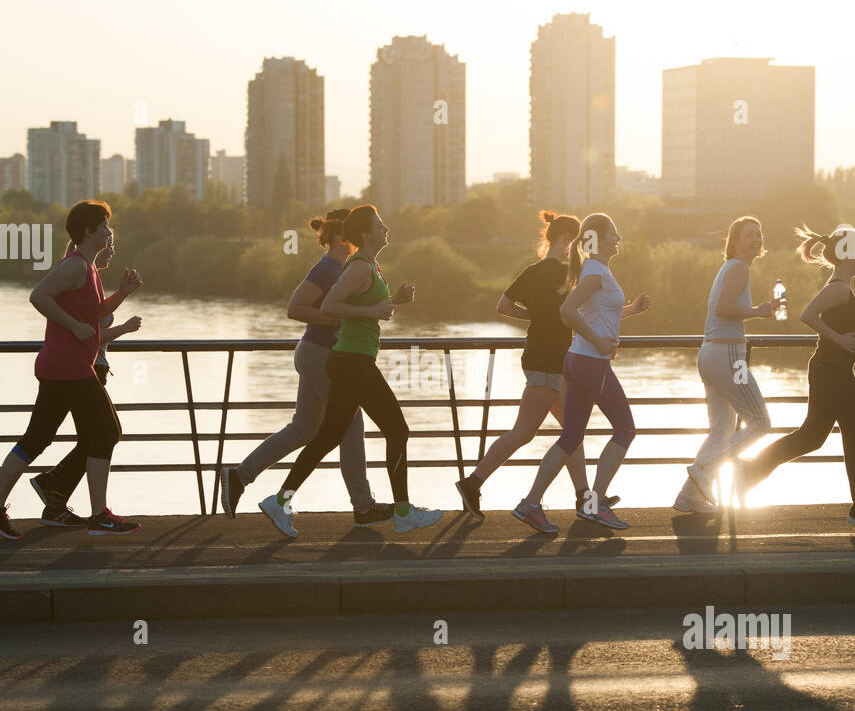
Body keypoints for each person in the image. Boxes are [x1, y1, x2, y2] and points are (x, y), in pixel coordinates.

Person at [258, 205, 441, 538]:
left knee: (328, 436)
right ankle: (402, 512)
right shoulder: (358, 267)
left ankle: (280, 500)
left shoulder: (369, 265)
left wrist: (395, 300)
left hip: (353, 359)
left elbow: (368, 312)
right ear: (367, 234)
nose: (387, 229)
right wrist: (374, 308)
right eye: (380, 225)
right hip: (352, 362)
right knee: (397, 430)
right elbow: (328, 307)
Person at [0, 200, 141, 539]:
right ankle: (99, 516)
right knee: (107, 431)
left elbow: (94, 314)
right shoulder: (76, 266)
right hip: (69, 368)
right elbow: (38, 296)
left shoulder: (88, 268)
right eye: (104, 227)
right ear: (88, 232)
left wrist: (122, 293)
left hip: (63, 367)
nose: (109, 232)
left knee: (37, 439)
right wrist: (73, 326)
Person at [221, 210, 390, 525]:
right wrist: (342, 318)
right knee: (351, 424)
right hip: (320, 355)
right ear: (343, 238)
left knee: (305, 428)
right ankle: (363, 505)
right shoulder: (328, 268)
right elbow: (295, 308)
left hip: (320, 354)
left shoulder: (345, 267)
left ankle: (239, 476)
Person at [455, 211, 617, 520]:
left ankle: (584, 497)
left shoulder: (534, 271)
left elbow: (503, 306)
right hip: (550, 360)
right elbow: (591, 312)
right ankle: (472, 483)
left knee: (572, 431)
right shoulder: (572, 274)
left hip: (546, 356)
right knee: (525, 431)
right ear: (569, 240)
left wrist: (538, 317)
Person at [739, 226, 855, 526]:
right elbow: (807, 315)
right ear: (848, 254)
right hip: (831, 368)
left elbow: (830, 318)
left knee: (812, 436)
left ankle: (750, 470)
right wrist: (840, 338)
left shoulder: (842, 288)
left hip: (831, 369)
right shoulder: (838, 287)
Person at [511, 213, 648, 534]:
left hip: (577, 360)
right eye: (613, 233)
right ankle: (595, 504)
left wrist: (632, 310)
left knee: (571, 437)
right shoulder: (595, 271)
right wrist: (599, 340)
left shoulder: (595, 269)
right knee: (626, 429)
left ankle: (530, 503)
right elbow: (567, 311)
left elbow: (597, 313)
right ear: (598, 239)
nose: (619, 238)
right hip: (590, 363)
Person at [29, 232, 143, 526]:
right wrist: (125, 329)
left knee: (93, 436)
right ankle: (64, 492)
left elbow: (91, 322)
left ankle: (55, 497)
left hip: (85, 367)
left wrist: (123, 293)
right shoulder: (78, 275)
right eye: (108, 245)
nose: (111, 251)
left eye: (114, 246)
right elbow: (90, 331)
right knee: (100, 434)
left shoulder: (90, 280)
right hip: (86, 368)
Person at [675, 216, 780, 513]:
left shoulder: (731, 268)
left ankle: (689, 496)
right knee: (760, 423)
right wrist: (758, 312)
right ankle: (701, 470)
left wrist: (760, 310)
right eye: (749, 235)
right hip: (728, 355)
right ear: (734, 241)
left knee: (721, 430)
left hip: (711, 354)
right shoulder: (739, 268)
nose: (756, 239)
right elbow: (723, 308)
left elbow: (723, 307)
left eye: (759, 234)